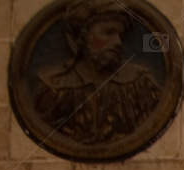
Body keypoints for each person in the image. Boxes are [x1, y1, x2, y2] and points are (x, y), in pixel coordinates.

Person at [33, 3, 161, 148]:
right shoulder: (55, 87)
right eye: (108, 32)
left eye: (120, 35)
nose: (118, 42)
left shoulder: (140, 83)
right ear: (83, 37)